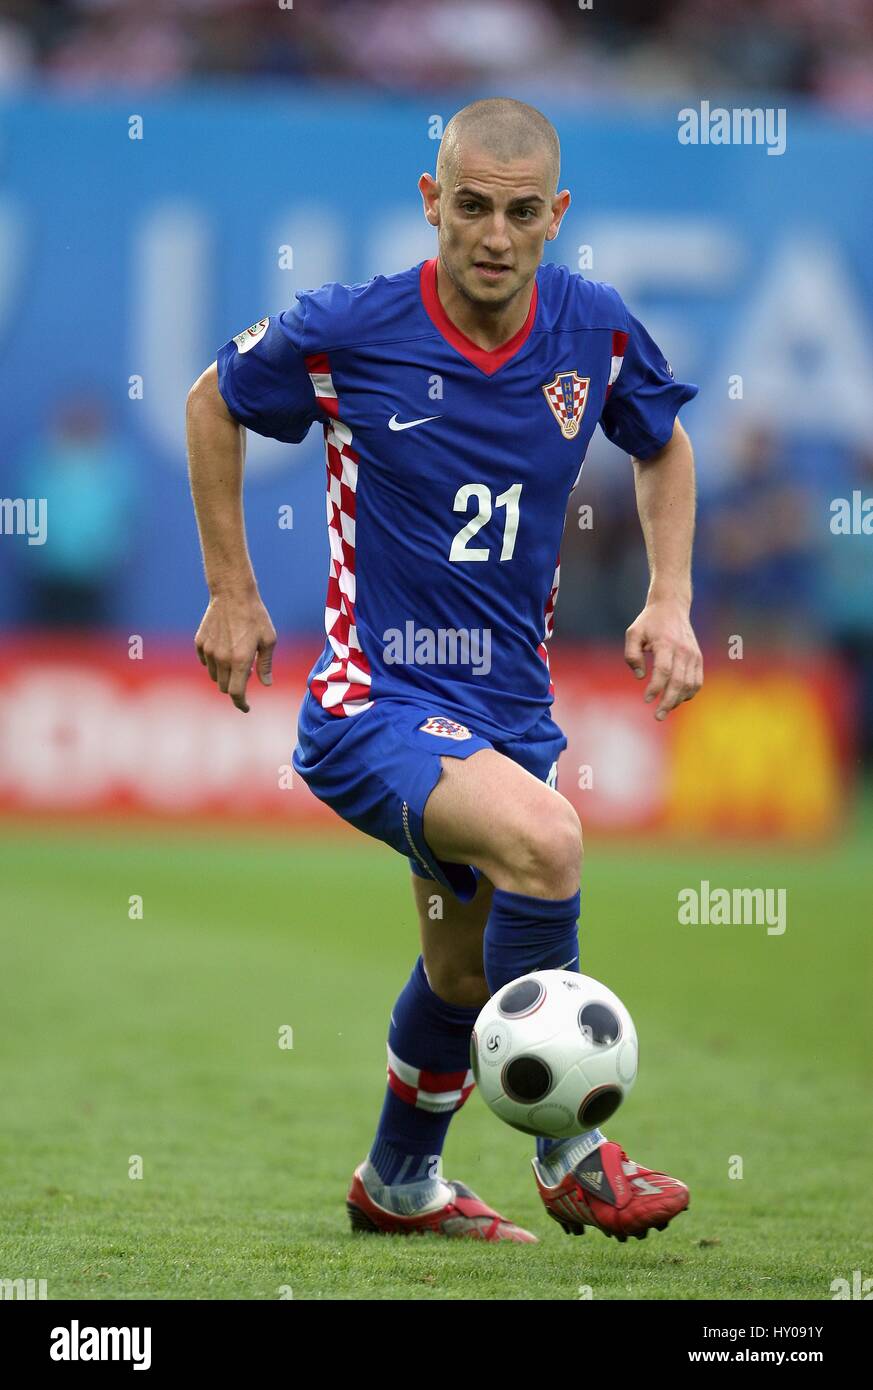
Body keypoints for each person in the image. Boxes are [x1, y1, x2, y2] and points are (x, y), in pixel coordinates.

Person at [186, 97, 703, 1243]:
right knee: (551, 841)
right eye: (471, 206)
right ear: (432, 201)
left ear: (556, 216)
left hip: (508, 712)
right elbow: (211, 402)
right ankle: (573, 1152)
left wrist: (670, 598)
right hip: (374, 703)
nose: (494, 236)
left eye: (523, 214)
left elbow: (662, 444)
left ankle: (401, 1181)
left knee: (464, 977)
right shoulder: (352, 330)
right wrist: (233, 589)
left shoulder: (596, 332)